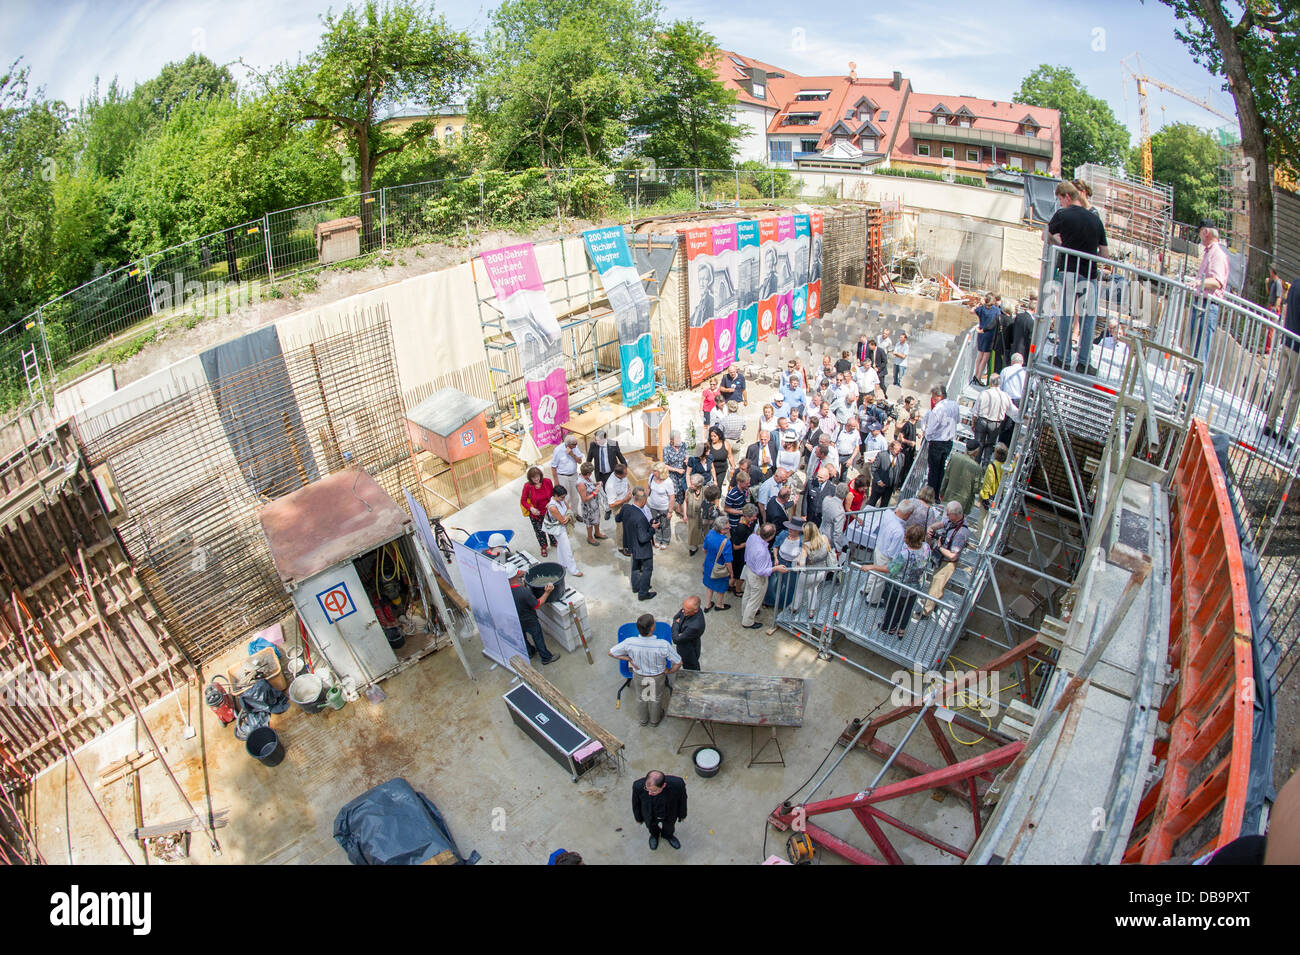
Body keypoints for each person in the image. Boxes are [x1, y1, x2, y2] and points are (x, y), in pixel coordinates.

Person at [1047, 180, 1108, 373]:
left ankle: (1063, 358)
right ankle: (1084, 362)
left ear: (1066, 197)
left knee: (1065, 314)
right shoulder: (1095, 219)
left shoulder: (1063, 215)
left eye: (1060, 200)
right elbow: (1105, 254)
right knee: (1088, 319)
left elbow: (1046, 236)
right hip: (1089, 273)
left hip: (1069, 270)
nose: (1060, 204)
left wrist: (1057, 241)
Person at [859, 524, 930, 639]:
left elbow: (890, 569)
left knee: (893, 607)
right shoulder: (926, 548)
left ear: (907, 538)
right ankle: (901, 629)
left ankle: (889, 627)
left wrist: (872, 566)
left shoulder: (905, 555)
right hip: (915, 587)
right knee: (907, 609)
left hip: (899, 587)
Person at [609, 615, 682, 727]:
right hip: (657, 677)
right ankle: (654, 721)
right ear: (652, 628)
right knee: (656, 699)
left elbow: (612, 653)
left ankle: (643, 721)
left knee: (641, 698)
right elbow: (678, 662)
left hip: (639, 676)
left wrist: (628, 658)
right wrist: (670, 671)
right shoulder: (663, 645)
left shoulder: (630, 642)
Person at [1189, 222, 1229, 374]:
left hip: (1206, 307)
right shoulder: (1210, 253)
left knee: (1200, 354)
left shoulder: (1216, 254)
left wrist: (1199, 282)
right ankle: (1189, 392)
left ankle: (1192, 395)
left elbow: (1217, 282)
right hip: (1202, 305)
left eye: (1200, 232)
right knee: (1196, 352)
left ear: (1206, 232)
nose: (1199, 236)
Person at [1264, 277, 1300, 445]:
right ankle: (1284, 434)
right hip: (1298, 347)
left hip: (1287, 341)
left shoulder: (1295, 284)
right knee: (1295, 392)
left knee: (1280, 385)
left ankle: (1269, 424)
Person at [921, 502, 970, 618]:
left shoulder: (961, 533)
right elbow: (939, 524)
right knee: (936, 584)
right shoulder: (952, 521)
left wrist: (940, 547)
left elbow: (953, 556)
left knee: (935, 588)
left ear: (956, 514)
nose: (946, 516)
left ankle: (925, 612)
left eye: (949, 514)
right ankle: (935, 603)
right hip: (941, 559)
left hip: (947, 563)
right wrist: (930, 528)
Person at [507, 566, 557, 664]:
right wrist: (547, 592)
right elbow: (537, 605)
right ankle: (546, 657)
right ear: (516, 575)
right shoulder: (523, 592)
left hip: (515, 617)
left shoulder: (504, 589)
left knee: (522, 636)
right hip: (528, 619)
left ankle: (530, 652)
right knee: (537, 636)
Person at [867, 498, 912, 602]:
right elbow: (893, 552)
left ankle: (867, 588)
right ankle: (872, 600)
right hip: (886, 556)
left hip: (878, 547)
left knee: (874, 572)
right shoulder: (899, 531)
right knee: (880, 580)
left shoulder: (887, 513)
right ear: (907, 514)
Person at [631, 770, 687, 850]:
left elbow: (683, 800)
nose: (649, 793)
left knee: (669, 827)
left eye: (654, 791)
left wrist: (682, 815)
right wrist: (638, 818)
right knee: (651, 826)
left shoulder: (677, 784)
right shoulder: (638, 786)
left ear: (663, 785)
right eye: (647, 789)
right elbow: (635, 803)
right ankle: (654, 835)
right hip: (650, 813)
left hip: (669, 812)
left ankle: (668, 836)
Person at [740, 522, 782, 628]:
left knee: (748, 594)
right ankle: (748, 622)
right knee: (755, 599)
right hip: (757, 576)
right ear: (771, 536)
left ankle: (745, 613)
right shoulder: (762, 551)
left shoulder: (752, 537)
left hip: (749, 569)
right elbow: (761, 571)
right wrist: (776, 568)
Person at [793, 522, 835, 618]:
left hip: (809, 573)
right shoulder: (824, 538)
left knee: (799, 589)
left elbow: (802, 563)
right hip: (821, 571)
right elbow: (829, 551)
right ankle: (811, 611)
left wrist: (798, 561)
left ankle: (795, 607)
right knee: (813, 589)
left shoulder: (806, 545)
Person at [923, 384, 961, 494]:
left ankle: (930, 495)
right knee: (940, 469)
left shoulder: (938, 409)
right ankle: (937, 493)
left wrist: (927, 436)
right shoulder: (954, 405)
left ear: (939, 396)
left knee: (934, 470)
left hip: (937, 442)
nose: (933, 399)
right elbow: (957, 420)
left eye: (934, 397)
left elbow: (931, 429)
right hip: (948, 442)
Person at [767, 517, 805, 621]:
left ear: (798, 531)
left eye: (793, 529)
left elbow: (804, 553)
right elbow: (775, 546)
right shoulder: (783, 534)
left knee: (790, 586)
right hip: (780, 561)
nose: (790, 530)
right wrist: (775, 558)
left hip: (792, 566)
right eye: (790, 528)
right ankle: (769, 601)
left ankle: (783, 604)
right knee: (773, 582)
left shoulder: (802, 540)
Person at [622, 487, 657, 600]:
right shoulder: (641, 517)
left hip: (632, 545)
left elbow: (618, 519)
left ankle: (636, 586)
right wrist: (652, 529)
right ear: (642, 501)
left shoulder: (627, 509)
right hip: (642, 548)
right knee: (647, 569)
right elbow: (643, 538)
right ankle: (643, 592)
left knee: (635, 567)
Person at [972, 374, 1013, 465]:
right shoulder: (1005, 396)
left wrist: (973, 423)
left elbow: (975, 411)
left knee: (978, 444)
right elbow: (1012, 410)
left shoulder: (984, 393)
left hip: (982, 421)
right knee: (989, 446)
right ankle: (985, 467)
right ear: (1000, 383)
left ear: (990, 382)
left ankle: (975, 466)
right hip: (995, 423)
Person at [940, 439, 984, 518]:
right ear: (976, 452)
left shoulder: (954, 457)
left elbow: (946, 477)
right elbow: (976, 489)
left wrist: (942, 492)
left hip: (949, 496)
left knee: (945, 521)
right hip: (964, 503)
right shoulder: (977, 468)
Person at [544, 485, 582, 577]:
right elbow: (563, 520)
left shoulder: (561, 499)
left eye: (564, 497)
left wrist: (567, 515)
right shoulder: (552, 507)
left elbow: (568, 509)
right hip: (559, 529)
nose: (564, 499)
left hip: (562, 527)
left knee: (561, 546)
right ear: (555, 496)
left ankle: (562, 564)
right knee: (567, 549)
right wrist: (568, 516)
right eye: (562, 497)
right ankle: (573, 570)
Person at [701, 515, 734, 612]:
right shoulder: (726, 542)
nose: (729, 528)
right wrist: (731, 574)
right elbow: (728, 562)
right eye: (728, 528)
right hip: (719, 569)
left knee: (709, 585)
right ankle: (719, 605)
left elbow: (704, 549)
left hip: (708, 564)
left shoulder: (710, 533)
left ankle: (707, 605)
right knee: (721, 588)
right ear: (722, 530)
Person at [520, 467, 554, 557]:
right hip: (536, 514)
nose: (536, 479)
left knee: (551, 527)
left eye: (537, 476)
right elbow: (523, 500)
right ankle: (543, 547)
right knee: (540, 531)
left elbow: (553, 495)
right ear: (530, 478)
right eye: (533, 477)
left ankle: (553, 542)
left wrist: (550, 503)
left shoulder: (547, 481)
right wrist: (531, 509)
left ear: (540, 475)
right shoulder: (528, 486)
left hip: (548, 511)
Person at [972, 293, 1000, 385]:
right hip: (989, 335)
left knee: (979, 355)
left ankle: (976, 374)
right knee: (985, 358)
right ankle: (979, 377)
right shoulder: (996, 310)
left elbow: (972, 311)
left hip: (981, 334)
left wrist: (978, 304)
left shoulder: (981, 309)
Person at [671, 596, 706, 670]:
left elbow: (676, 639)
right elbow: (675, 618)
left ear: (695, 610)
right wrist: (679, 633)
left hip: (688, 649)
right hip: (687, 638)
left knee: (690, 666)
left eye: (686, 611)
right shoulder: (688, 609)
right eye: (683, 608)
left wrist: (677, 624)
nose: (683, 612)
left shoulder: (695, 626)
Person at [605, 463, 633, 555]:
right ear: (618, 474)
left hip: (625, 501)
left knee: (628, 524)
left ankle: (628, 540)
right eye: (625, 474)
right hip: (618, 507)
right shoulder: (610, 485)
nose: (627, 475)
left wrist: (628, 490)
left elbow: (626, 483)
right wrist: (624, 499)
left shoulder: (623, 476)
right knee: (621, 527)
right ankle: (621, 547)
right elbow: (611, 504)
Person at [1000, 354, 1027, 446]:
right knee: (1014, 426)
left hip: (1007, 398)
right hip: (1020, 401)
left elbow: (1000, 386)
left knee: (1004, 424)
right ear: (1022, 363)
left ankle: (1001, 446)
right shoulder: (1026, 372)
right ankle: (1007, 447)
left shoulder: (1006, 370)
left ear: (1012, 361)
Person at [576, 462, 606, 546]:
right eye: (591, 472)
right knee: (590, 523)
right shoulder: (580, 483)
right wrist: (595, 492)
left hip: (594, 504)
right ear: (588, 473)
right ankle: (590, 537)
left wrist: (595, 484)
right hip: (588, 507)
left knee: (597, 519)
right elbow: (584, 499)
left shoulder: (587, 478)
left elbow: (589, 485)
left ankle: (597, 533)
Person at [549, 434, 582, 507]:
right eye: (574, 444)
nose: (576, 445)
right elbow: (553, 467)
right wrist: (556, 482)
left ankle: (575, 514)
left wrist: (572, 454)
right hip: (563, 477)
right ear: (568, 444)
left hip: (573, 476)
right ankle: (568, 515)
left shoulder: (575, 448)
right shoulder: (558, 450)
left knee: (575, 497)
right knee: (566, 498)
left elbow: (580, 461)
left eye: (576, 443)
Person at [869, 438, 903, 508]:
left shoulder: (901, 457)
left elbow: (900, 470)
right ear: (891, 449)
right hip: (879, 485)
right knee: (871, 503)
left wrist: (897, 483)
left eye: (900, 450)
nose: (898, 452)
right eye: (897, 450)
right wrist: (878, 480)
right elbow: (874, 468)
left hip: (890, 487)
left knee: (884, 506)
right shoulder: (882, 455)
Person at [662, 430, 689, 513]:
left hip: (683, 473)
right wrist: (677, 470)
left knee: (682, 491)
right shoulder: (666, 449)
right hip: (673, 475)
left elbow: (687, 454)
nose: (679, 441)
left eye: (679, 438)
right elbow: (665, 465)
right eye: (677, 439)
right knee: (673, 492)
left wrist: (687, 459)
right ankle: (670, 508)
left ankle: (679, 508)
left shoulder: (684, 445)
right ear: (671, 440)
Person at [979, 444, 1008, 510]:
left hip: (989, 496)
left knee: (983, 518)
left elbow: (988, 483)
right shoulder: (1005, 467)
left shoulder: (991, 467)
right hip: (998, 497)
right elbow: (1012, 468)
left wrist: (984, 497)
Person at [684, 473, 707, 556]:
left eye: (692, 484)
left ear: (698, 485)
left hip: (702, 516)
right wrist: (685, 515)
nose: (690, 485)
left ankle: (705, 545)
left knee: (703, 531)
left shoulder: (705, 491)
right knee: (692, 531)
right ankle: (694, 546)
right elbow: (685, 502)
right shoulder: (688, 491)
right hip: (692, 516)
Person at [898, 407, 921, 479]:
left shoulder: (914, 424)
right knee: (903, 468)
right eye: (918, 416)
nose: (919, 418)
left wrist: (917, 434)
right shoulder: (907, 425)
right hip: (906, 451)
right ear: (914, 416)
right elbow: (900, 438)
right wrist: (909, 442)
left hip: (911, 451)